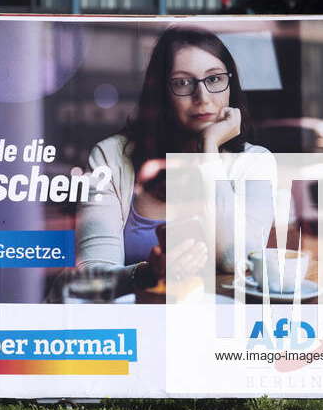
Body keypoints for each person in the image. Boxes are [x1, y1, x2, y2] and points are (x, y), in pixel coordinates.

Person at [74, 26, 275, 296]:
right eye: (182, 82)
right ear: (161, 93)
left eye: (214, 79)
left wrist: (208, 150)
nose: (202, 98)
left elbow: (235, 259)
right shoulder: (110, 157)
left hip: (219, 326)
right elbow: (91, 274)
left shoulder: (255, 162)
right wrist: (148, 273)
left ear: (230, 84)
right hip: (127, 328)